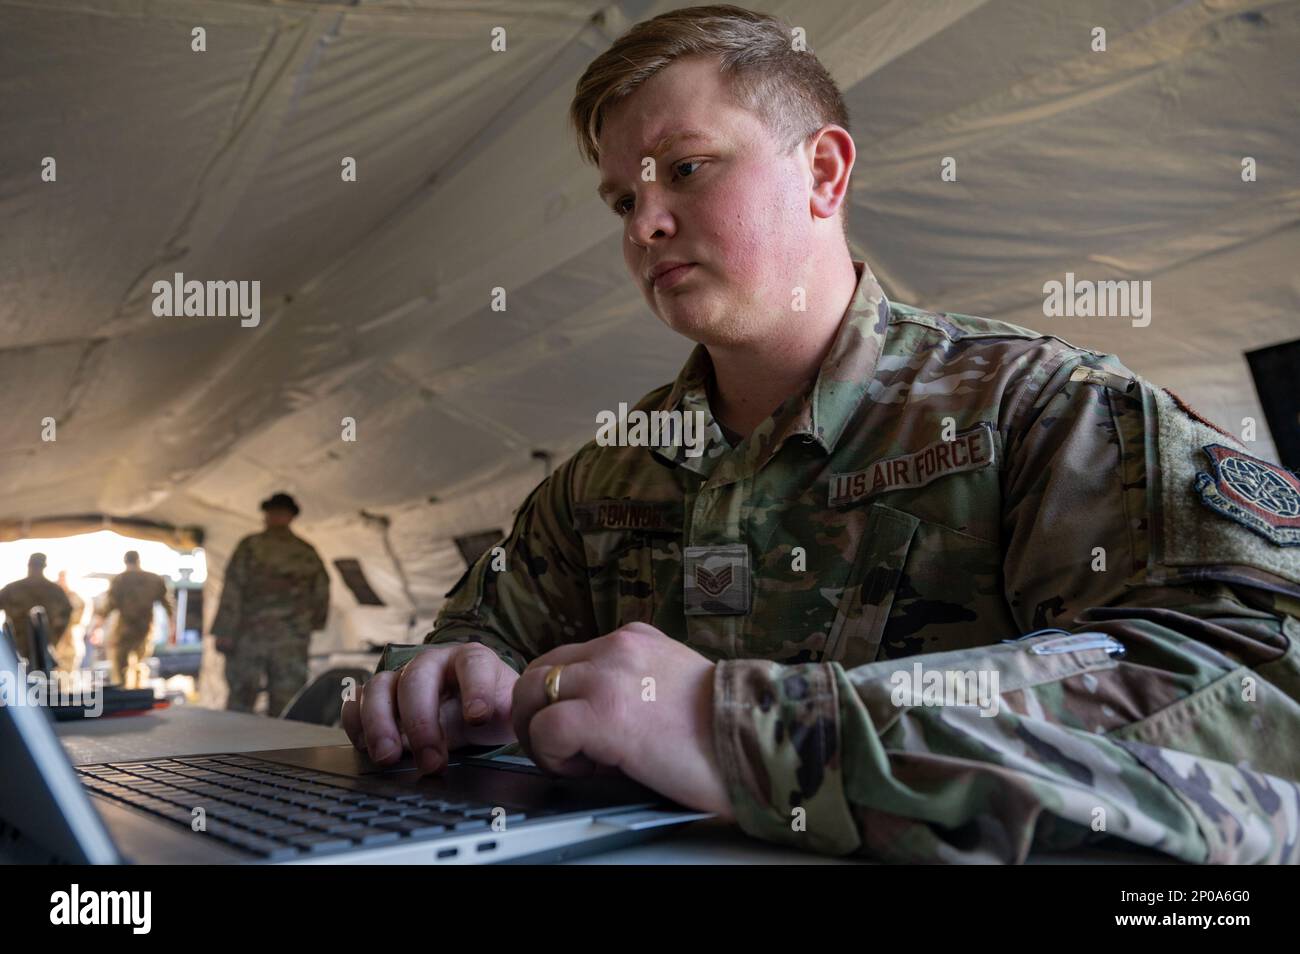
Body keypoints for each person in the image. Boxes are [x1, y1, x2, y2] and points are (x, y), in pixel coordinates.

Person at [342, 5, 1300, 863]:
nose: (646, 225)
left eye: (685, 169)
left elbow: (1250, 691)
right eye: (623, 200)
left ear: (824, 171)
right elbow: (474, 643)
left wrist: (745, 732)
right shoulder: (604, 476)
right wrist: (433, 688)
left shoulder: (1040, 411)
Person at [212, 492, 330, 716]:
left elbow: (233, 588)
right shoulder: (306, 552)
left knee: (241, 699)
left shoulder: (251, 546)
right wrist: (311, 624)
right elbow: (322, 592)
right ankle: (281, 750)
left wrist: (224, 631)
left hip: (251, 634)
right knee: (287, 702)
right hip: (290, 636)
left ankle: (234, 748)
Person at [100, 551, 172, 688]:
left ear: (125, 561)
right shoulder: (154, 579)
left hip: (125, 627)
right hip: (145, 627)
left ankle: (124, 690)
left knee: (120, 661)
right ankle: (138, 689)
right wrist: (172, 625)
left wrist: (98, 621)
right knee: (139, 660)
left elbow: (110, 604)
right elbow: (167, 604)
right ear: (138, 560)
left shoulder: (120, 579)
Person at [0, 553, 72, 666]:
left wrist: (52, 639)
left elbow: (66, 614)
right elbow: (66, 614)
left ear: (29, 565)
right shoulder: (55, 591)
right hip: (22, 647)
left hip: (31, 648)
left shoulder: (12, 589)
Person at [53, 570, 85, 672]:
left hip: (70, 644)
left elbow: (77, 619)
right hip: (55, 646)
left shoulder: (75, 597)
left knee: (67, 677)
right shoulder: (53, 597)